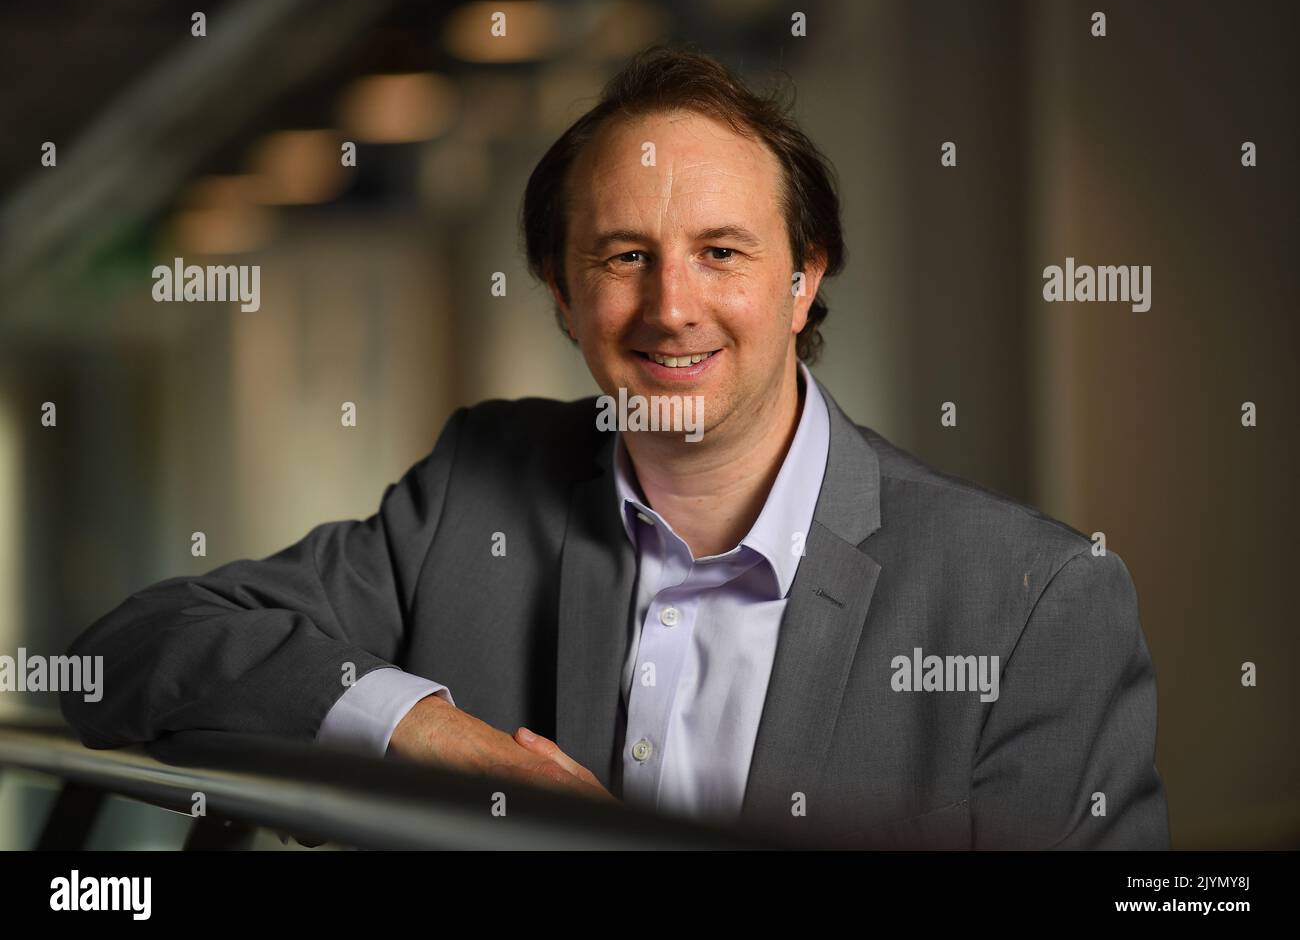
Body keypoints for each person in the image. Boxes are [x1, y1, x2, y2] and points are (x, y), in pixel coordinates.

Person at [60, 45, 1169, 849]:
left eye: (722, 251)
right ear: (559, 293)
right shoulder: (476, 494)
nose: (671, 307)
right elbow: (129, 650)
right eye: (624, 256)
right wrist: (434, 734)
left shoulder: (1034, 600)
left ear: (804, 275)